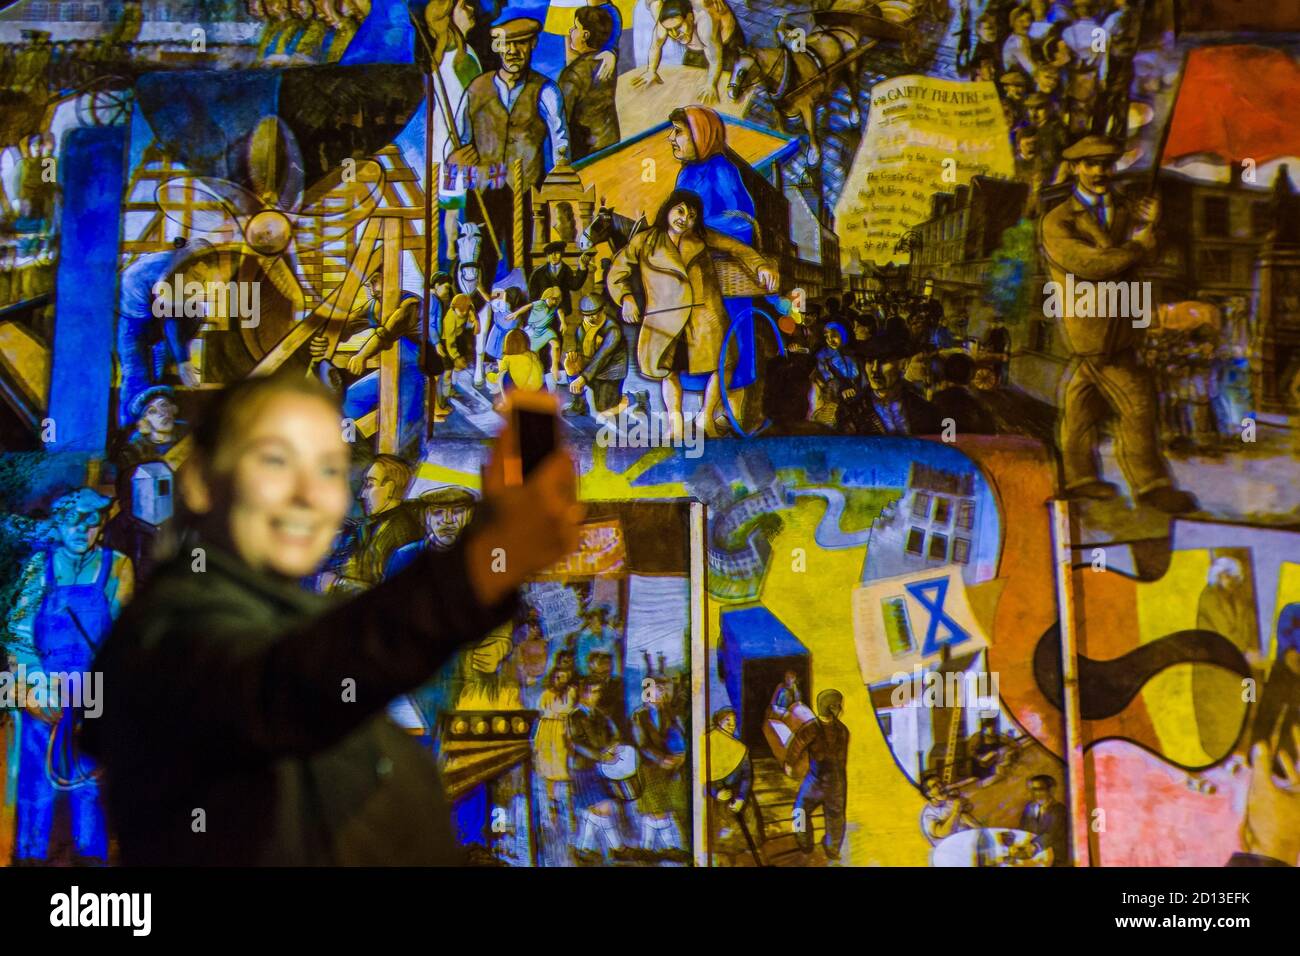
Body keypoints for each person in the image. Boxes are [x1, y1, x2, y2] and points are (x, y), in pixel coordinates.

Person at [84, 375, 582, 865]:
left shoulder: (301, 623)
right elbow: (284, 689)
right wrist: (478, 569)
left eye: (328, 469)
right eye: (277, 460)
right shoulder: (168, 637)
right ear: (198, 481)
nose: (308, 493)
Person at [1039, 134, 1198, 514]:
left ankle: (1079, 478)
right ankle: (1152, 485)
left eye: (1107, 164)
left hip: (1123, 323)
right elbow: (1092, 265)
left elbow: (1148, 253)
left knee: (1080, 402)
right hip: (1093, 328)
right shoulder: (1058, 220)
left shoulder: (1129, 209)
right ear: (1076, 168)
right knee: (1139, 401)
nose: (1100, 172)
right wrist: (1140, 244)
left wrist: (1151, 227)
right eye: (1090, 164)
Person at [7, 488, 134, 864]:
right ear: (57, 525)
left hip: (92, 687)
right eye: (70, 520)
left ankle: (89, 858)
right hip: (44, 688)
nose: (80, 529)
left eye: (90, 521)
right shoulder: (36, 567)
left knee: (89, 778)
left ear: (101, 525)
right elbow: (19, 633)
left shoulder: (118, 566)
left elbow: (122, 639)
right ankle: (29, 856)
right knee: (35, 779)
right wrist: (34, 685)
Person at [606, 188, 776, 439]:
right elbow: (617, 270)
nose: (684, 218)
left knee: (724, 362)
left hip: (704, 315)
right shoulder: (646, 240)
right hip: (664, 318)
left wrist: (761, 265)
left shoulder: (702, 238)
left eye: (691, 215)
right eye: (680, 211)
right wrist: (626, 298)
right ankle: (675, 423)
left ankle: (706, 416)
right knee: (667, 370)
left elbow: (738, 249)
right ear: (668, 210)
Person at [115, 240, 224, 426]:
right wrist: (183, 361)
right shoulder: (169, 275)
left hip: (153, 315)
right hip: (133, 316)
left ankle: (162, 360)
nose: (198, 283)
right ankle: (130, 428)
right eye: (196, 276)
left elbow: (180, 314)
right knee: (136, 373)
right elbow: (170, 318)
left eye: (202, 280)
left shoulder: (183, 274)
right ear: (187, 265)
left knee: (196, 314)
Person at [327, 454, 422, 592]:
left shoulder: (403, 532)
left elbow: (394, 591)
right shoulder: (375, 525)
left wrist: (339, 583)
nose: (362, 494)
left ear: (389, 488)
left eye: (370, 485)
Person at [634, 0, 743, 105]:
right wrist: (651, 70)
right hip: (697, 50)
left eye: (677, 28)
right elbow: (655, 46)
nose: (674, 34)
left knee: (726, 95)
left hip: (728, 49)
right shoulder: (665, 22)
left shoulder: (705, 21)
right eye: (669, 30)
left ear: (690, 18)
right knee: (690, 93)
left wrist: (711, 84)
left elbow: (715, 60)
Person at [784, 688, 850, 861]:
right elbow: (797, 745)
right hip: (825, 780)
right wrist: (789, 762)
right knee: (807, 812)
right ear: (829, 707)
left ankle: (815, 845)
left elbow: (797, 745)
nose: (840, 709)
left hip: (827, 780)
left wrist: (789, 764)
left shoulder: (839, 730)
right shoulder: (820, 728)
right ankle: (823, 846)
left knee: (803, 811)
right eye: (837, 706)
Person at [568, 678, 628, 863]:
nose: (596, 696)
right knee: (603, 807)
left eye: (598, 692)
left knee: (599, 810)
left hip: (602, 769)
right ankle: (614, 847)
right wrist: (600, 755)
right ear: (583, 693)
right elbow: (577, 744)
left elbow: (614, 735)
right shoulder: (574, 716)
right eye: (593, 692)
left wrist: (613, 748)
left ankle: (585, 848)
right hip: (584, 769)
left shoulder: (601, 715)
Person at [631, 676, 688, 859]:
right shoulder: (640, 715)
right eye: (659, 689)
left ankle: (655, 848)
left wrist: (680, 757)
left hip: (670, 769)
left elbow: (679, 737)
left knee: (664, 809)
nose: (663, 693)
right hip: (650, 768)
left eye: (665, 690)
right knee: (654, 810)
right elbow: (642, 744)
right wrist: (661, 758)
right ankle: (652, 848)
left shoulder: (670, 713)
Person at [558, 5, 622, 160]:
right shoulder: (606, 63)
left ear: (585, 35)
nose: (571, 32)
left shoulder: (574, 72)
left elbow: (560, 116)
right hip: (610, 141)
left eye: (575, 27)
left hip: (586, 151)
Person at [708, 707, 764, 863]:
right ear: (719, 722)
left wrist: (741, 798)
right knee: (723, 843)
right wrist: (715, 792)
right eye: (728, 721)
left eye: (734, 721)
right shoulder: (708, 743)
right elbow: (704, 774)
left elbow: (747, 776)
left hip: (739, 795)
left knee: (750, 835)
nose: (732, 725)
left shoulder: (740, 748)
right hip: (719, 799)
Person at [383, 485, 477, 578]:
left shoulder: (478, 556)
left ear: (469, 515)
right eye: (438, 512)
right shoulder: (405, 556)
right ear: (427, 516)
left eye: (457, 511)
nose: (447, 520)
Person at [569, 294, 629, 423]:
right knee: (572, 371)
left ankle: (635, 397)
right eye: (586, 314)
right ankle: (579, 404)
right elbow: (582, 353)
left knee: (605, 410)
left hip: (612, 371)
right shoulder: (581, 330)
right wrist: (574, 367)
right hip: (592, 369)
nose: (591, 317)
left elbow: (602, 356)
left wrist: (583, 378)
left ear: (603, 309)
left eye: (594, 313)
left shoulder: (613, 330)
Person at [116, 385, 186, 469]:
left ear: (174, 408)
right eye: (152, 411)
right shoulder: (135, 450)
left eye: (163, 405)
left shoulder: (189, 438)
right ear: (144, 421)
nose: (162, 413)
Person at [1018, 774, 1068, 865]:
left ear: (1051, 790)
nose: (1036, 794)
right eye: (1033, 789)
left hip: (1054, 857)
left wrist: (1035, 846)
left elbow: (1052, 835)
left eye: (1040, 789)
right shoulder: (1030, 807)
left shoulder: (1059, 810)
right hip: (1031, 852)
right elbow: (1023, 828)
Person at [919, 772, 976, 846]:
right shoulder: (928, 814)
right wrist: (956, 811)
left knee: (963, 815)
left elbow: (969, 806)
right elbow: (942, 833)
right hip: (950, 849)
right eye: (935, 785)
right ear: (929, 794)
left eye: (940, 782)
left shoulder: (949, 800)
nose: (940, 786)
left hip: (969, 840)